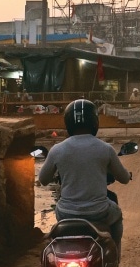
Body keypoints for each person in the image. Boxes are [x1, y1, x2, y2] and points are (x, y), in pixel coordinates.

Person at [38, 99, 132, 253]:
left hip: (66, 213)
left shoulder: (57, 150)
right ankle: (113, 252)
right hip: (99, 212)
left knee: (58, 212)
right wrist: (128, 175)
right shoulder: (105, 149)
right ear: (95, 122)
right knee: (117, 214)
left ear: (68, 123)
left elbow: (43, 179)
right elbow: (124, 178)